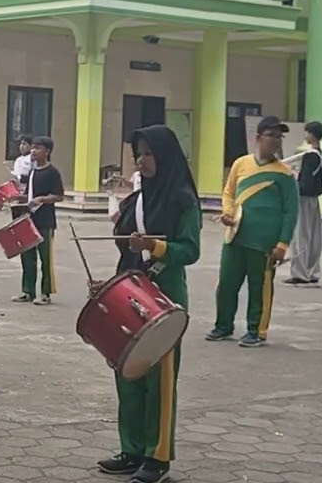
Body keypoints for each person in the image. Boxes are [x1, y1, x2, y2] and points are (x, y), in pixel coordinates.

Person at [97, 125, 202, 483]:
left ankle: (157, 457)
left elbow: (190, 250)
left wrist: (155, 248)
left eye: (148, 153)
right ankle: (131, 450)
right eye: (137, 154)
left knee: (159, 381)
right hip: (130, 296)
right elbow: (125, 248)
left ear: (166, 155)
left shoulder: (182, 199)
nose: (141, 161)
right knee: (127, 374)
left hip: (164, 301)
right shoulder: (135, 202)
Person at [208, 116, 298, 348]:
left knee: (260, 288)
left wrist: (282, 244)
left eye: (280, 137)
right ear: (258, 138)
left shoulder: (285, 175)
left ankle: (256, 330)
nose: (276, 142)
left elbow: (291, 212)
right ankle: (223, 326)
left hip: (264, 243)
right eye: (272, 136)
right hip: (235, 237)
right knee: (227, 284)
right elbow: (228, 192)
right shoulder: (241, 164)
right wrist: (228, 213)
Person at [12, 136, 64, 305]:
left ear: (47, 152)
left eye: (38, 148)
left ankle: (46, 293)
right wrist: (15, 197)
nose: (33, 151)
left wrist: (41, 199)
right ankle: (28, 291)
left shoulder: (52, 173)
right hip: (29, 218)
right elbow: (29, 194)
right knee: (27, 256)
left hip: (45, 221)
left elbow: (59, 196)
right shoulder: (33, 172)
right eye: (32, 147)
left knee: (45, 257)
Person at [285, 121, 322, 286]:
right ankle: (313, 271)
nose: (305, 135)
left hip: (303, 199)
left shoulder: (309, 156)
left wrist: (295, 185)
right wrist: (319, 191)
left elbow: (305, 182)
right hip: (314, 201)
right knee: (314, 237)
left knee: (301, 236)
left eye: (307, 133)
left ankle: (300, 273)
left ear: (313, 135)